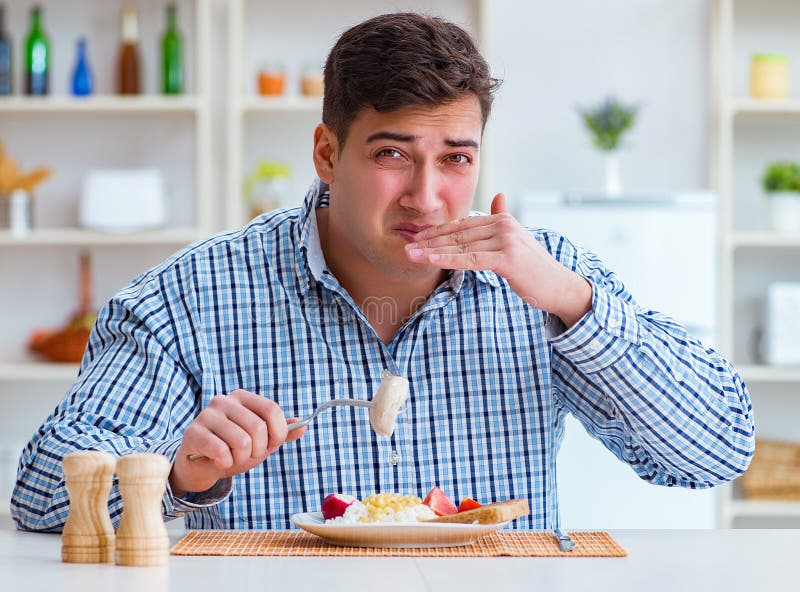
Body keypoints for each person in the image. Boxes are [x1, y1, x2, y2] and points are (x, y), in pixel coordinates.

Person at [12, 13, 754, 531]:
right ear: (328, 154)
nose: (426, 198)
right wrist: (175, 474)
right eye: (392, 154)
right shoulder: (187, 297)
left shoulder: (549, 284)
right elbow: (42, 496)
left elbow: (715, 453)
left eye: (456, 159)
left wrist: (570, 301)